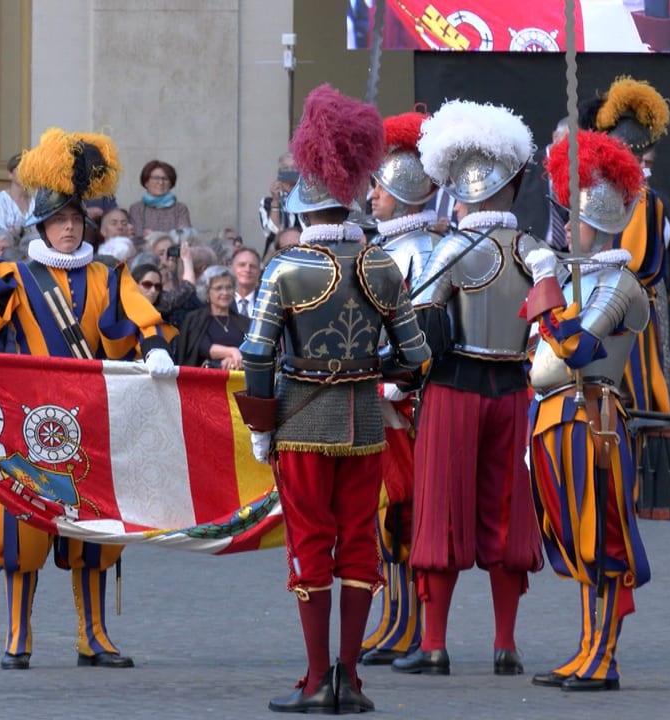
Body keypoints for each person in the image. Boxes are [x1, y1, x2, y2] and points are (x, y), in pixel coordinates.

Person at [0, 127, 177, 671]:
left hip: (96, 417)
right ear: (40, 226)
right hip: (30, 419)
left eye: (76, 221)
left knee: (100, 532)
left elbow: (139, 317)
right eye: (58, 221)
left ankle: (94, 635)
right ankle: (18, 634)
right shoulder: (13, 274)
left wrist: (153, 348)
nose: (68, 229)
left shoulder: (107, 271)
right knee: (21, 529)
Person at [235, 84, 429, 714]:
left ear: (300, 211)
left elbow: (260, 356)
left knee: (310, 543)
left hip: (299, 418)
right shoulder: (380, 264)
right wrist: (383, 377)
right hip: (365, 421)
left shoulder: (285, 269)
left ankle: (318, 678)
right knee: (360, 543)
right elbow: (417, 356)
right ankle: (352, 680)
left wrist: (261, 426)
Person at [394, 99, 544, 677]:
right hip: (514, 389)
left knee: (443, 513)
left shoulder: (453, 247)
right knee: (507, 514)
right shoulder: (535, 250)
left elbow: (422, 331)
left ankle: (434, 645)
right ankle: (505, 645)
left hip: (455, 388)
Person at [525, 130, 651, 692]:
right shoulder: (579, 274)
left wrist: (546, 283)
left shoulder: (620, 282)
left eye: (571, 218)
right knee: (576, 542)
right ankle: (586, 649)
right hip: (554, 418)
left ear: (595, 221)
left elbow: (577, 349)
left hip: (591, 417)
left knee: (600, 539)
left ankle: (605, 656)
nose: (564, 227)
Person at [360, 110, 440, 667]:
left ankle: (409, 624)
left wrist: (391, 375)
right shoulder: (385, 246)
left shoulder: (421, 252)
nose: (371, 198)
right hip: (378, 398)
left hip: (405, 403)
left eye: (380, 189)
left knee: (403, 512)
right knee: (382, 510)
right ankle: (393, 618)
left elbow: (420, 334)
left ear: (404, 192)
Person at [581, 76, 670, 417]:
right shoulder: (613, 194)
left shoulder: (643, 200)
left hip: (623, 304)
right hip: (604, 297)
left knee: (629, 393)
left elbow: (630, 264)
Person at [175, 266, 248, 369]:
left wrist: (233, 360)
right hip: (205, 379)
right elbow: (202, 347)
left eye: (229, 287)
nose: (225, 292)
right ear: (207, 292)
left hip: (239, 378)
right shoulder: (195, 319)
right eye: (219, 288)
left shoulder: (244, 322)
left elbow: (251, 349)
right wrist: (233, 352)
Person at [127, 160, 191, 234]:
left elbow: (184, 236)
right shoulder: (136, 208)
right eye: (156, 178)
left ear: (171, 184)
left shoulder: (180, 209)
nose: (161, 182)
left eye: (165, 179)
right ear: (146, 182)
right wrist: (170, 235)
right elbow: (138, 236)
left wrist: (153, 235)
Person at [259, 151, 302, 248]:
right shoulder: (267, 202)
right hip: (278, 252)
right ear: (280, 172)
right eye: (286, 168)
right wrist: (275, 201)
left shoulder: (308, 200)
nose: (290, 171)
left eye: (294, 168)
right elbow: (271, 233)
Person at [0, 152, 33, 241]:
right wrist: (27, 230)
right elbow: (1, 232)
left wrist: (19, 230)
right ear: (10, 174)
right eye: (20, 169)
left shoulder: (35, 202)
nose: (25, 173)